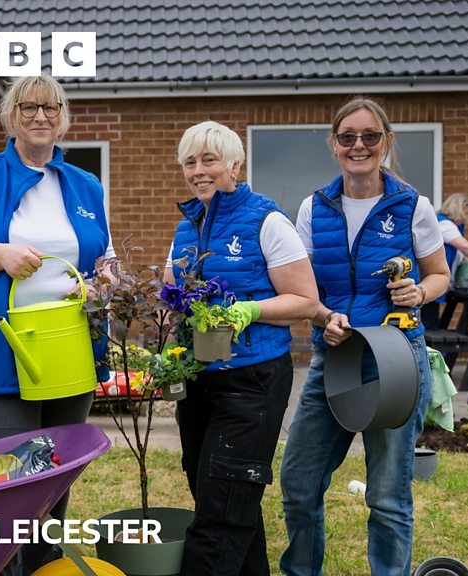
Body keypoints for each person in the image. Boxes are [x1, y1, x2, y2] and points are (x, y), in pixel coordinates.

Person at [0, 74, 112, 575]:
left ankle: (44, 568)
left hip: (69, 351)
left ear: (63, 117)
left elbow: (108, 264)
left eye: (51, 108)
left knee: (55, 479)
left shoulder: (85, 185)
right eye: (29, 108)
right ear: (10, 116)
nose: (40, 117)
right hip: (3, 351)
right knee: (14, 483)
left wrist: (100, 288)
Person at [280, 96, 451, 576]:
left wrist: (420, 291)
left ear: (386, 142)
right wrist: (323, 317)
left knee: (388, 497)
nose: (359, 145)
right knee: (298, 482)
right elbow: (304, 288)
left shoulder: (413, 205)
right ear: (334, 145)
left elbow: (439, 275)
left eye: (370, 136)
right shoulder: (314, 208)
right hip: (334, 358)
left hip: (396, 358)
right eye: (348, 137)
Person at [162, 120, 319, 576]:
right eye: (190, 162)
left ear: (234, 164)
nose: (198, 170)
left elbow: (305, 300)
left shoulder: (266, 220)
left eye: (209, 159)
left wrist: (248, 311)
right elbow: (173, 296)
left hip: (253, 378)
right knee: (218, 491)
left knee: (222, 504)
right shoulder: (187, 225)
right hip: (199, 377)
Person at [423, 193, 468, 329]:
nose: (466, 218)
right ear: (458, 209)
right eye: (465, 214)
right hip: (430, 279)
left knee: (432, 321)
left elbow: (458, 253)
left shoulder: (450, 226)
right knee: (429, 323)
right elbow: (464, 246)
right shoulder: (445, 224)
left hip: (431, 280)